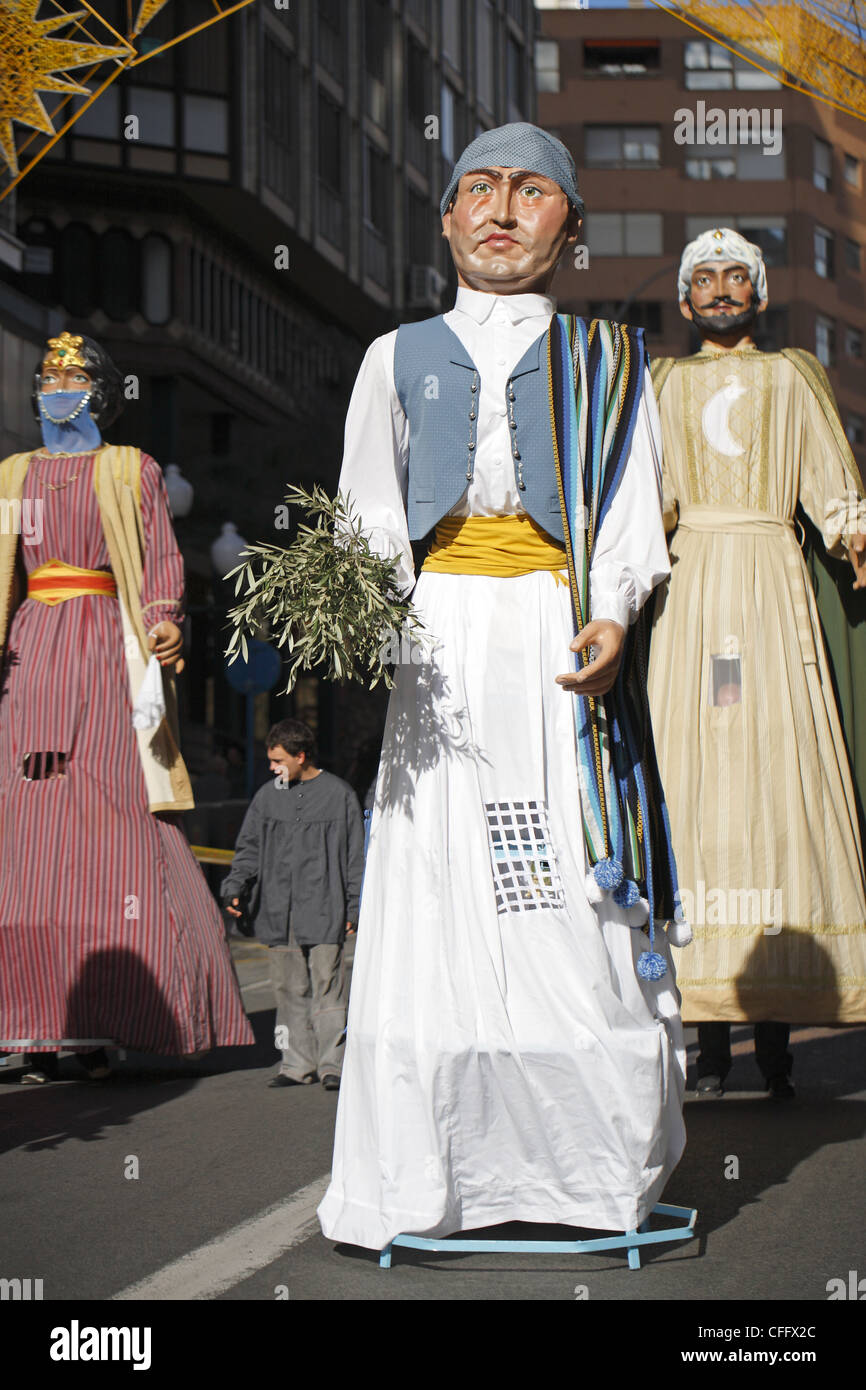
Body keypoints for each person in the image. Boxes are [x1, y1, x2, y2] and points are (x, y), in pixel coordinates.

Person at [317, 123, 687, 1253]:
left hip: (552, 629)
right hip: (436, 637)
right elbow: (367, 513)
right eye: (476, 190)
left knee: (564, 879)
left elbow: (629, 513)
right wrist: (363, 621)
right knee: (437, 875)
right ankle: (426, 1176)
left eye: (530, 193)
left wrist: (613, 616)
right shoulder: (394, 355)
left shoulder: (612, 361)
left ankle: (579, 1174)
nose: (498, 210)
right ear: (444, 219)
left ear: (566, 227)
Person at [0, 332, 253, 1083]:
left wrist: (166, 617)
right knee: (24, 835)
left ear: (99, 392)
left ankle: (118, 1014)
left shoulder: (130, 468)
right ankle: (27, 1019)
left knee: (117, 825)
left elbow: (159, 555)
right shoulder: (12, 474)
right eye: (47, 376)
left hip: (109, 654)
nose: (55, 387)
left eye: (71, 376)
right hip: (27, 652)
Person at [648, 229, 866, 1099]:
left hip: (774, 595)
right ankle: (706, 1042)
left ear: (761, 294)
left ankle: (773, 1036)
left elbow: (832, 484)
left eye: (738, 276)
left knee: (775, 785)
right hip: (689, 593)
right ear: (685, 296)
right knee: (687, 785)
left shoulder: (792, 376)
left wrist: (854, 530)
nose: (721, 288)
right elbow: (644, 500)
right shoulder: (656, 384)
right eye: (705, 277)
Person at [222, 719, 364, 1091]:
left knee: (328, 987)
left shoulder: (340, 794)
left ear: (301, 756)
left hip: (324, 907)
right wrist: (236, 886)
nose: (272, 768)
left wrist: (354, 907)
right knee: (287, 990)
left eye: (278, 760)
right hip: (278, 910)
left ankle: (332, 1063)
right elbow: (248, 847)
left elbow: (355, 858)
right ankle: (294, 1064)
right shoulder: (267, 797)